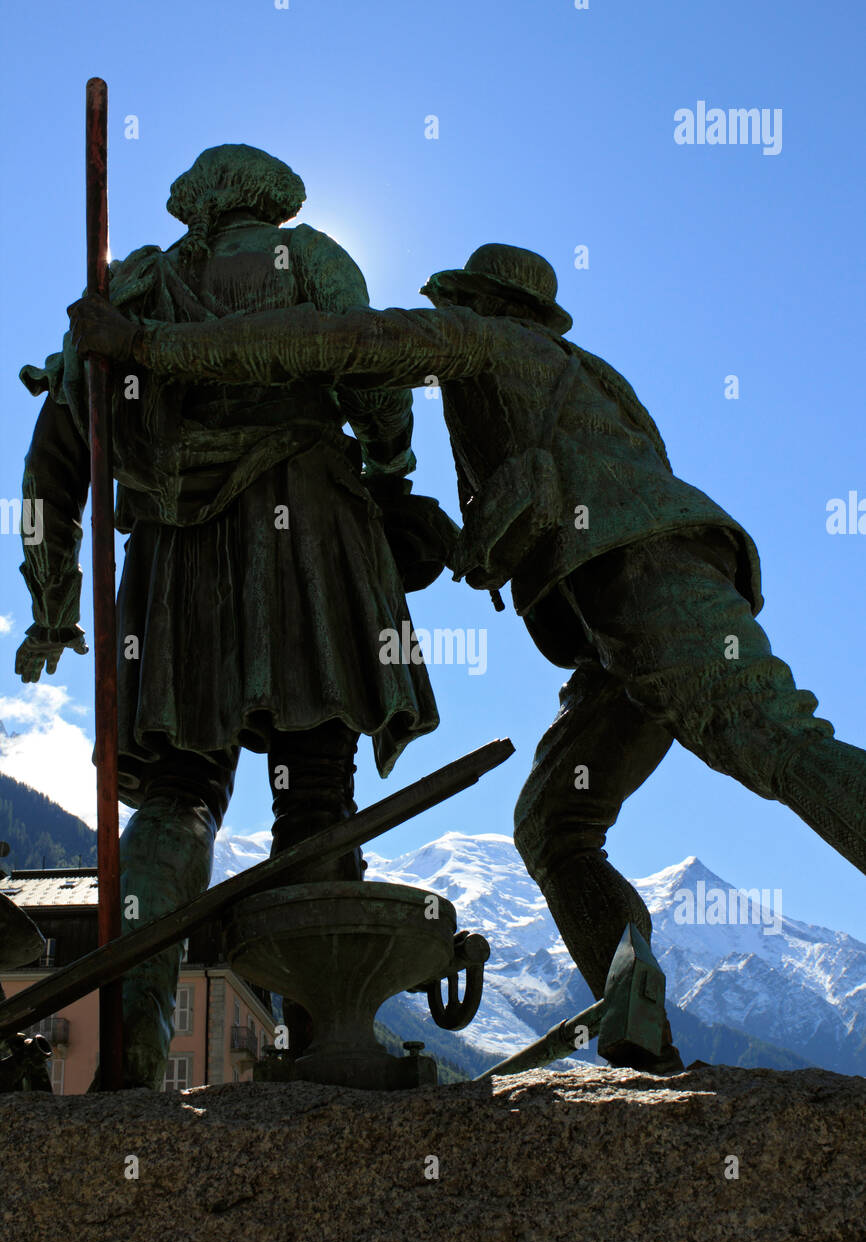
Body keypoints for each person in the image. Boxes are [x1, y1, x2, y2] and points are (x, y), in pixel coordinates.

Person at [68, 242, 866, 1074]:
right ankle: (637, 1018)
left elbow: (325, 341)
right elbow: (544, 500)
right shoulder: (586, 378)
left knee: (781, 747)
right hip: (615, 631)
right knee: (555, 827)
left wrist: (147, 348)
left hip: (650, 587)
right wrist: (452, 539)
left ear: (479, 304)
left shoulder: (478, 342)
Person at [17, 145, 448, 1089]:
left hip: (178, 556)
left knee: (179, 798)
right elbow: (373, 375)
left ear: (192, 203)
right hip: (313, 534)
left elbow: (54, 455)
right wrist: (389, 470)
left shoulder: (131, 287)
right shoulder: (314, 260)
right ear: (273, 200)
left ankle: (129, 1046)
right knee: (315, 791)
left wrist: (52, 601)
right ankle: (329, 1046)